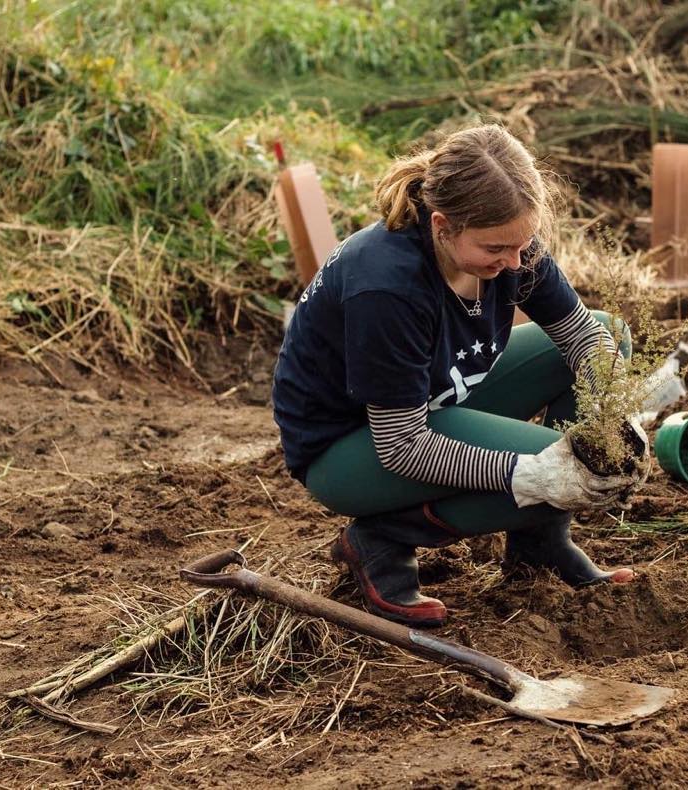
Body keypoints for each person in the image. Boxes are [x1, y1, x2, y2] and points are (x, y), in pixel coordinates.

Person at [272, 124, 649, 628]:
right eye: (496, 249)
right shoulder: (387, 285)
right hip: (351, 445)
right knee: (556, 467)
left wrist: (615, 416)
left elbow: (582, 334)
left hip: (430, 402)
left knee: (607, 336)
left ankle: (540, 541)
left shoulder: (509, 244)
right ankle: (381, 538)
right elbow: (402, 445)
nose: (515, 263)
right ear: (443, 225)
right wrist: (530, 476)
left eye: (523, 244)